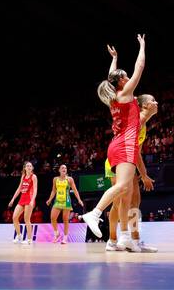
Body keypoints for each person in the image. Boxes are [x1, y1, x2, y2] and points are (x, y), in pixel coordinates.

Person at [81, 36, 153, 252]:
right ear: (122, 81)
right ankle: (94, 214)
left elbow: (110, 77)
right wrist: (141, 46)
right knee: (122, 187)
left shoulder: (114, 95)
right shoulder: (125, 93)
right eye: (125, 76)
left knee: (126, 192)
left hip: (116, 144)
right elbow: (140, 67)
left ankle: (125, 238)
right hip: (126, 144)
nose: (128, 77)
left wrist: (114, 59)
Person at [106, 93, 159, 252]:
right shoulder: (137, 121)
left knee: (135, 201)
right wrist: (143, 175)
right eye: (152, 100)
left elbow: (137, 152)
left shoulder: (144, 125)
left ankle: (135, 241)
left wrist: (143, 174)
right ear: (144, 106)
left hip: (129, 162)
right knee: (118, 204)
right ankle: (112, 240)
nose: (156, 102)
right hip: (116, 161)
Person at [48, 164, 83, 244]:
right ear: (59, 170)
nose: (64, 169)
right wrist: (50, 199)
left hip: (66, 201)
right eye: (62, 168)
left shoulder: (69, 179)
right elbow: (53, 191)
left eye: (65, 168)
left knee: (65, 220)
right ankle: (57, 234)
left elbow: (75, 190)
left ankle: (65, 237)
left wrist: (79, 199)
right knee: (53, 218)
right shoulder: (55, 179)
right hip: (57, 201)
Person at [8, 163, 38, 244]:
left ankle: (29, 239)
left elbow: (35, 189)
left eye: (30, 166)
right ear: (24, 168)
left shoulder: (34, 177)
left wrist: (32, 200)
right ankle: (19, 235)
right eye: (27, 166)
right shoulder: (23, 177)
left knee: (26, 219)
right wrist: (13, 199)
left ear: (32, 168)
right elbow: (19, 189)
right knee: (14, 217)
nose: (29, 167)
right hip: (22, 199)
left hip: (29, 199)